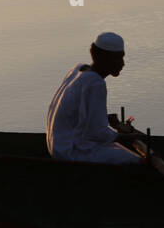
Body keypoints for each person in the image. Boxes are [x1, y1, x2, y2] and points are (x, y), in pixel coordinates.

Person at [45, 32, 143, 164]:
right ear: (105, 59)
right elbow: (97, 133)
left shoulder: (78, 69)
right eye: (118, 58)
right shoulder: (96, 83)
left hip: (57, 145)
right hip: (70, 151)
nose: (122, 64)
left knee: (120, 149)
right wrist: (128, 138)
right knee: (135, 160)